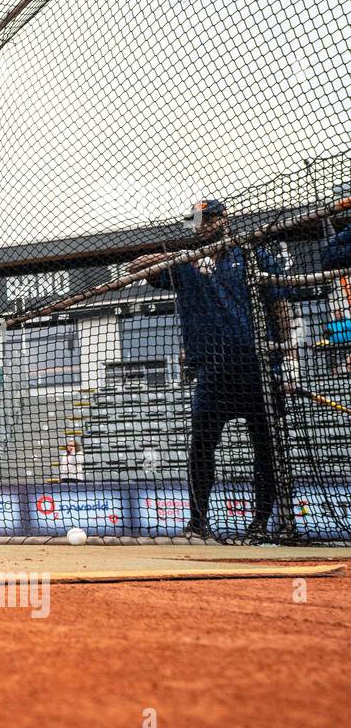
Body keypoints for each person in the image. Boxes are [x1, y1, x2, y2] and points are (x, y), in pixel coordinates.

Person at [127, 199, 294, 542]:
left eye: (206, 219)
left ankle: (262, 522)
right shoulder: (186, 264)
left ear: (223, 219)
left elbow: (279, 304)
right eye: (195, 221)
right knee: (202, 446)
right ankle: (198, 522)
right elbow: (135, 268)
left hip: (257, 366)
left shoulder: (251, 253)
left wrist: (286, 362)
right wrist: (173, 257)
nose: (200, 225)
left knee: (266, 447)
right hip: (212, 370)